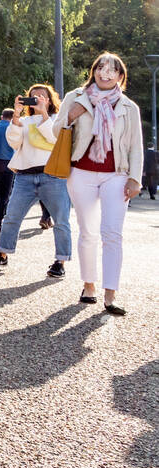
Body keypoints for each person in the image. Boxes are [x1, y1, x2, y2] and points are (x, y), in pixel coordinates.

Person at [59, 53, 144, 316]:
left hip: (116, 174)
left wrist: (135, 178)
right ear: (93, 70)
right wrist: (71, 115)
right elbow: (54, 131)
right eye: (100, 68)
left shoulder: (129, 107)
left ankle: (110, 294)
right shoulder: (76, 97)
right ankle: (89, 286)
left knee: (112, 233)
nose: (105, 73)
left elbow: (135, 147)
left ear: (121, 76)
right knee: (88, 232)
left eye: (112, 69)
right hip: (81, 172)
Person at [0, 85, 73, 278]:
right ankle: (3, 253)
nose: (38, 99)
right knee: (11, 217)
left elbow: (54, 138)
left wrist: (43, 115)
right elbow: (14, 143)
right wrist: (16, 116)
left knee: (61, 221)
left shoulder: (58, 120)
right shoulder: (23, 121)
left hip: (53, 176)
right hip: (24, 176)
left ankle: (61, 260)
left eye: (42, 96)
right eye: (33, 97)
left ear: (50, 99)